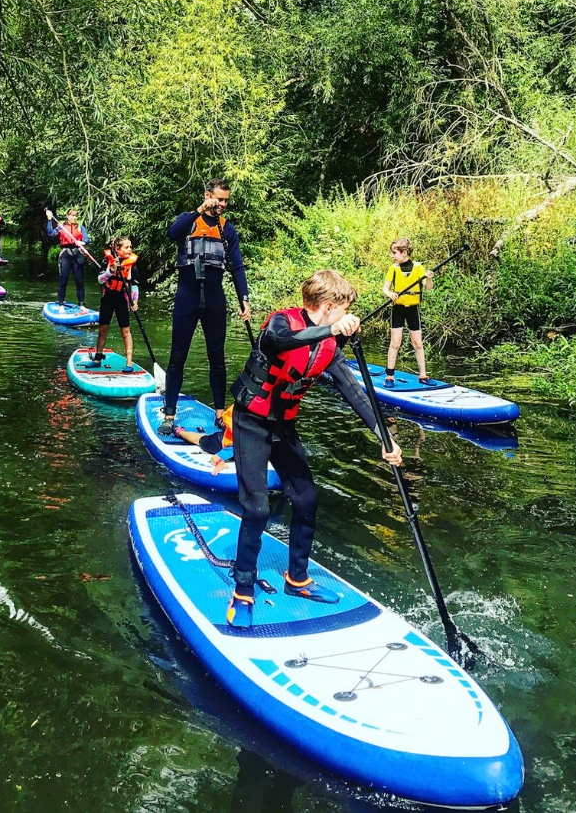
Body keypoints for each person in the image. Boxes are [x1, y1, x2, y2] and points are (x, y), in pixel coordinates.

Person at [226, 269, 403, 629]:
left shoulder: (328, 347)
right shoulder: (279, 324)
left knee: (307, 499)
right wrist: (332, 329)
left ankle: (297, 579)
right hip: (251, 423)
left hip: (284, 427)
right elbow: (280, 341)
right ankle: (243, 588)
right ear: (328, 307)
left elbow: (354, 391)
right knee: (257, 507)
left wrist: (385, 437)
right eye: (343, 310)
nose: (345, 317)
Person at [158, 178, 252, 436]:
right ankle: (169, 414)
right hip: (187, 299)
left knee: (217, 359)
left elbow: (237, 266)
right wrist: (200, 209)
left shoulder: (228, 230)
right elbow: (171, 233)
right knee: (177, 358)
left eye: (225, 200)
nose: (222, 204)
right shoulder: (189, 220)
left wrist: (244, 297)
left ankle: (220, 413)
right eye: (218, 199)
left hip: (214, 300)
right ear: (207, 195)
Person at [382, 237, 434, 385]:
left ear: (404, 252)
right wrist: (390, 294)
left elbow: (428, 287)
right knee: (395, 342)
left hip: (413, 310)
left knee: (417, 343)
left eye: (394, 253)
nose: (392, 256)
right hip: (398, 309)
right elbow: (385, 288)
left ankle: (423, 375)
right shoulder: (393, 268)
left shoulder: (419, 268)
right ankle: (390, 376)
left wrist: (428, 278)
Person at [90, 237, 141, 373]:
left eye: (130, 247)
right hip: (108, 298)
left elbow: (135, 285)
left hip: (122, 299)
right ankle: (97, 358)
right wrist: (110, 271)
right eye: (126, 247)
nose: (130, 250)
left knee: (125, 331)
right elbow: (100, 280)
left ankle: (129, 363)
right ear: (117, 249)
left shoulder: (132, 265)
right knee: (103, 329)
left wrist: (134, 301)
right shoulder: (107, 261)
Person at [45, 207, 90, 309]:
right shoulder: (61, 227)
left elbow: (87, 239)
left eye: (75, 215)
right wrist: (49, 219)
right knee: (63, 281)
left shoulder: (80, 227)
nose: (74, 217)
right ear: (68, 216)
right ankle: (61, 304)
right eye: (72, 215)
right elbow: (50, 234)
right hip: (65, 255)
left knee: (79, 281)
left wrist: (82, 242)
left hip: (77, 254)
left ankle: (81, 304)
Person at [172, 404, 235, 475]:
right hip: (218, 442)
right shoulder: (236, 447)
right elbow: (215, 458)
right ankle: (180, 432)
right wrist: (220, 464)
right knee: (200, 439)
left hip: (233, 434)